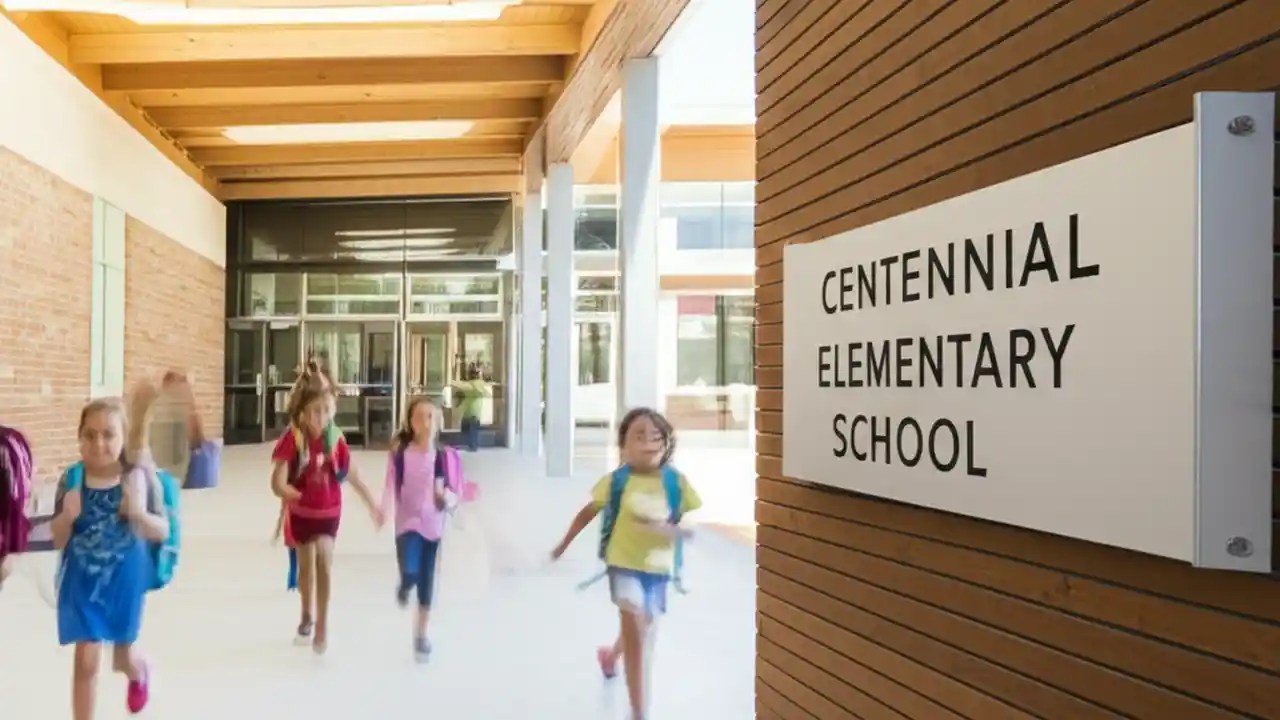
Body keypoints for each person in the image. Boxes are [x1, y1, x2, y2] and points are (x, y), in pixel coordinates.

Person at [550, 408, 701, 720]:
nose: (647, 441)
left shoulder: (676, 484)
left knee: (640, 627)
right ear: (623, 447)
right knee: (634, 618)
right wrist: (564, 543)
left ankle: (611, 655)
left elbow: (683, 525)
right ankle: (638, 711)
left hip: (658, 571)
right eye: (638, 435)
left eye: (655, 435)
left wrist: (667, 530)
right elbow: (587, 513)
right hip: (622, 564)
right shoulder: (617, 481)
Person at [52, 384, 169, 720]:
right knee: (86, 660)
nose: (98, 444)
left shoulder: (138, 476)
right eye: (89, 435)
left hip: (124, 581)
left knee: (122, 658)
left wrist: (138, 513)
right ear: (79, 438)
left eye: (108, 435)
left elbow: (162, 531)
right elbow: (58, 540)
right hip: (82, 580)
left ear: (123, 439)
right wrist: (66, 518)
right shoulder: (72, 478)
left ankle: (139, 671)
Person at [270, 363, 381, 654]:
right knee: (305, 569)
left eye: (327, 410)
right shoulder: (293, 439)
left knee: (325, 563)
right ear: (303, 411)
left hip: (329, 514)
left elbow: (353, 475)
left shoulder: (335, 440)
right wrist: (286, 490)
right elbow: (277, 479)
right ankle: (306, 613)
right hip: (302, 516)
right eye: (316, 411)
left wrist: (372, 504)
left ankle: (322, 624)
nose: (322, 417)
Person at [378, 396, 453, 662]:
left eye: (432, 416)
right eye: (422, 416)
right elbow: (390, 485)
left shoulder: (441, 456)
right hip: (407, 524)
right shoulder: (401, 455)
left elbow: (443, 489)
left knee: (427, 583)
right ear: (412, 422)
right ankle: (405, 584)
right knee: (410, 569)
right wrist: (383, 510)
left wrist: (446, 499)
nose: (428, 422)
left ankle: (421, 636)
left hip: (433, 527)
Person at [451, 364, 491, 452]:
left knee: (468, 428)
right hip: (475, 411)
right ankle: (473, 445)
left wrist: (452, 381)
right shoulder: (480, 386)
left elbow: (458, 385)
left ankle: (470, 444)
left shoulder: (468, 386)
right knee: (473, 429)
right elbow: (488, 394)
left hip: (468, 411)